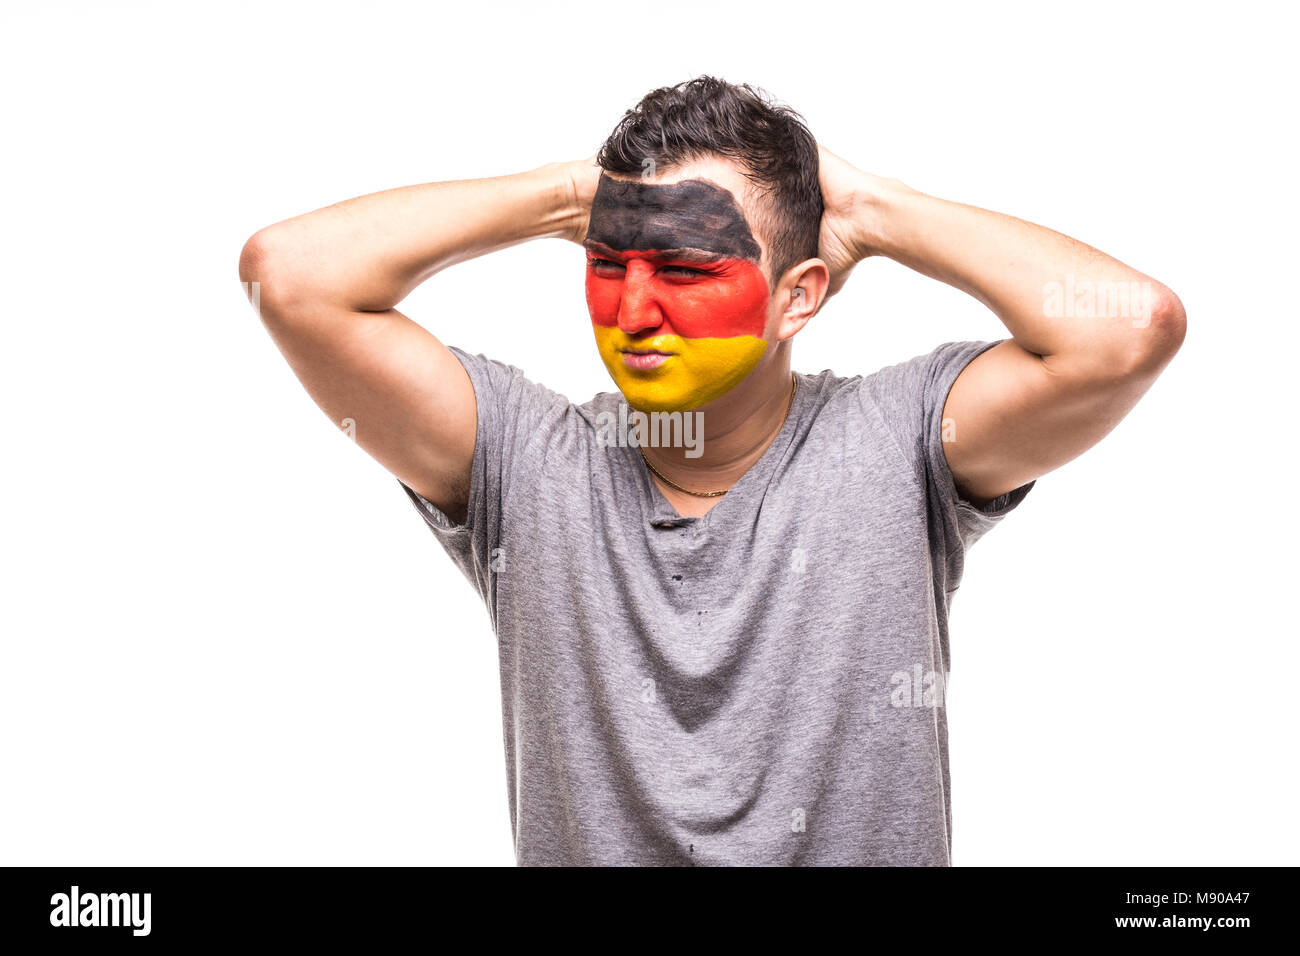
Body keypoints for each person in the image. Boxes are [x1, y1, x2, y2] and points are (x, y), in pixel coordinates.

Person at [238, 76, 1185, 865]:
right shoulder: (528, 464)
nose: (635, 309)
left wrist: (870, 210)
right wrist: (572, 196)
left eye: (687, 267)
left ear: (797, 297)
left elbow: (1128, 329)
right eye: (609, 261)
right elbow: (287, 274)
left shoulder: (898, 439)